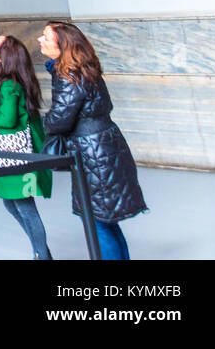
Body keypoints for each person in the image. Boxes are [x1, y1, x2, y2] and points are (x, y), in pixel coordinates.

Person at [39, 21, 147, 259]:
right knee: (106, 219)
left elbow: (60, 120)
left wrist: (43, 122)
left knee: (97, 220)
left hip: (92, 153)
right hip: (104, 145)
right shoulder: (83, 68)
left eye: (46, 37)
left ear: (63, 45)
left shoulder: (69, 76)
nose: (40, 40)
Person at [0, 35, 53, 258]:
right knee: (11, 203)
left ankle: (43, 255)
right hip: (6, 153)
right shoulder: (1, 77)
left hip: (17, 154)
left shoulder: (9, 84)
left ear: (1, 56)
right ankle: (40, 250)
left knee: (25, 207)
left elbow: (7, 119)